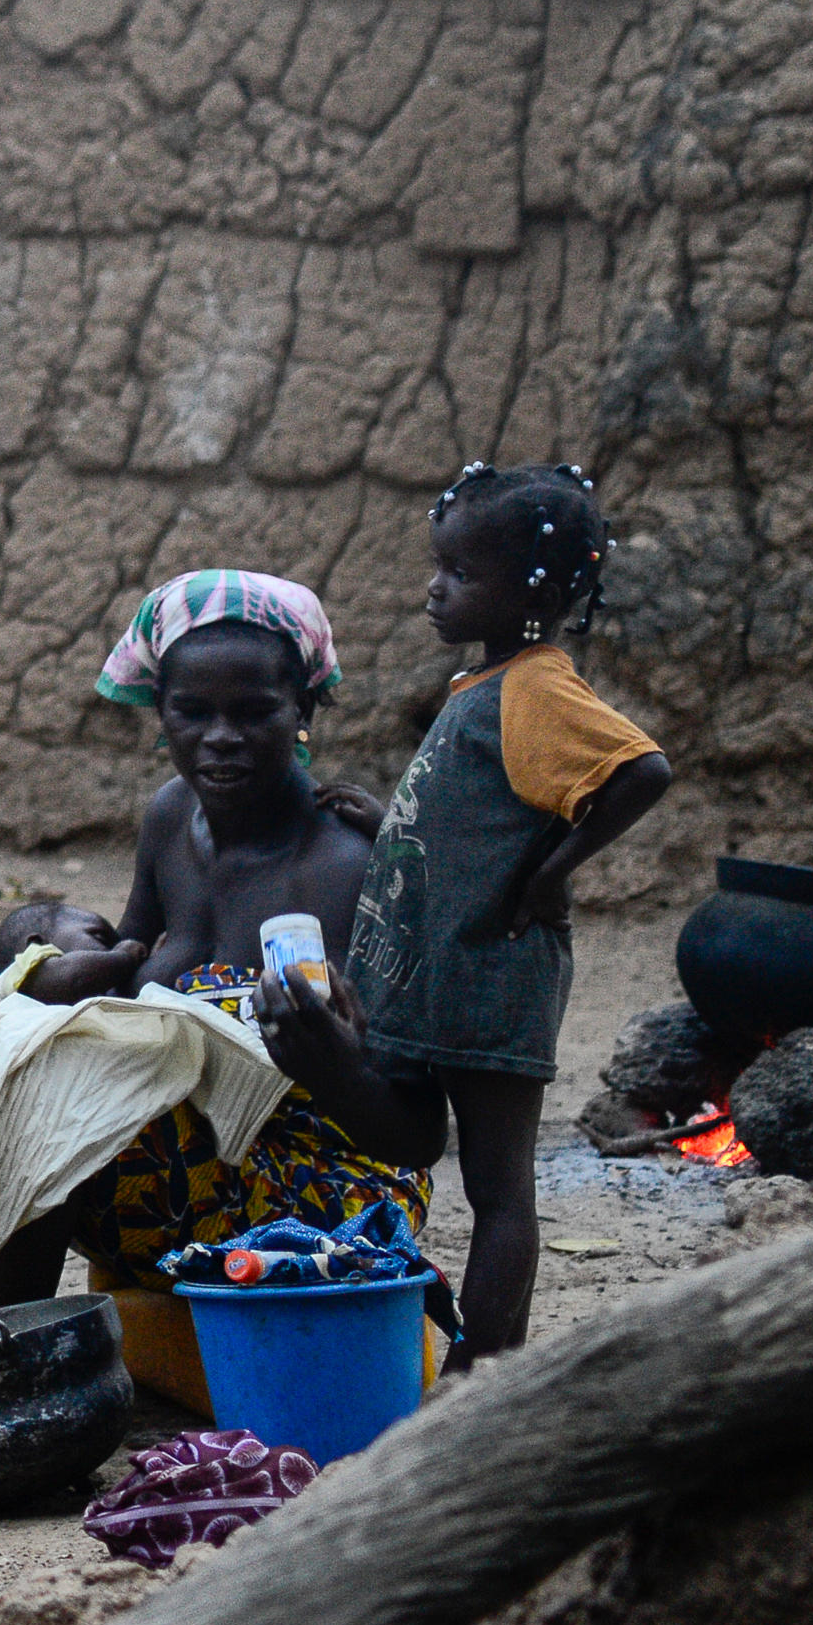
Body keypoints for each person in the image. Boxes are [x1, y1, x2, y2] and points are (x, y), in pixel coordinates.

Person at [0, 572, 427, 1364]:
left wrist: (334, 1059)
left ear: (303, 710)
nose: (220, 737)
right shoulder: (173, 816)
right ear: (158, 713)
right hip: (148, 1168)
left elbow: (416, 1134)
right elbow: (104, 980)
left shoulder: (346, 864)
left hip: (293, 1203)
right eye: (193, 712)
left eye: (254, 711)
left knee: (52, 1072)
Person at [327, 463, 674, 1366]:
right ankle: (478, 1363)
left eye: (461, 574)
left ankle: (489, 1372)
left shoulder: (537, 685)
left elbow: (642, 770)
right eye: (438, 567)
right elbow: (483, 810)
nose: (434, 590)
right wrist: (390, 819)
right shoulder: (484, 687)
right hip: (447, 976)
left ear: (533, 590)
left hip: (494, 977)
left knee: (499, 1194)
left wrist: (553, 876)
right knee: (466, 1175)